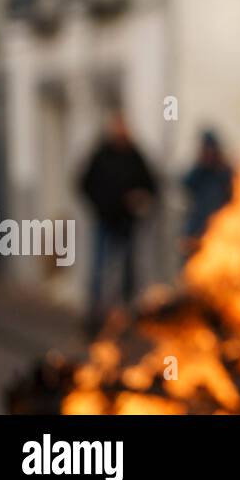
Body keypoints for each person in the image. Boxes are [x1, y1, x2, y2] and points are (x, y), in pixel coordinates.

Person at [78, 110, 158, 333]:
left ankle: (126, 316)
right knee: (99, 270)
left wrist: (141, 198)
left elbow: (151, 185)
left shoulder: (135, 155)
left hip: (127, 224)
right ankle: (94, 317)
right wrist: (100, 205)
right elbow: (83, 183)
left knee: (129, 272)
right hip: (105, 221)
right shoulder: (101, 154)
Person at [180, 129, 235, 260]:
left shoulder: (224, 173)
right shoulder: (200, 172)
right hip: (198, 228)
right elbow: (186, 184)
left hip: (219, 231)